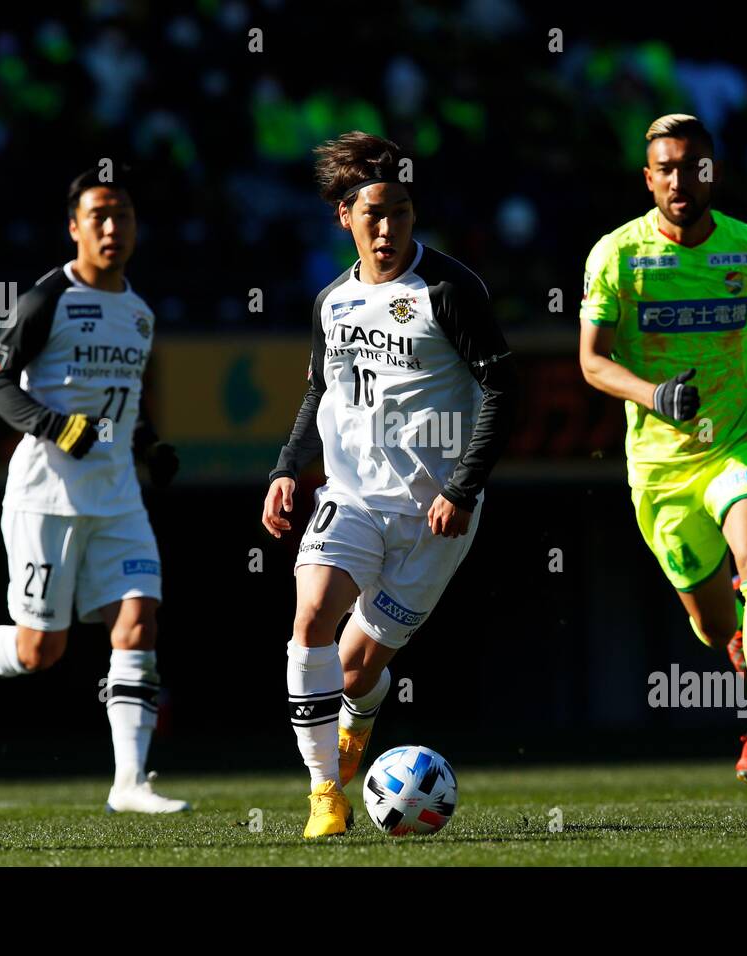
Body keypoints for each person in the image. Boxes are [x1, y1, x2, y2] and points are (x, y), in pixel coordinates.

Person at [0, 166, 187, 812]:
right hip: (46, 496)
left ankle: (130, 782)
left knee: (138, 621)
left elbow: (123, 400)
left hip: (118, 498)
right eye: (99, 216)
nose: (112, 227)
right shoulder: (45, 300)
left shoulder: (139, 313)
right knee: (39, 651)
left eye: (122, 215)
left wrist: (148, 446)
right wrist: (54, 426)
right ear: (74, 228)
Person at [262, 131, 517, 836]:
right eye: (374, 213)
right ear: (344, 215)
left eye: (400, 212)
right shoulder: (332, 301)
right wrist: (286, 469)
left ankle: (362, 713)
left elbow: (503, 390)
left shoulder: (450, 290)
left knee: (354, 671)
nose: (387, 228)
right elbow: (318, 392)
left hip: (433, 513)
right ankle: (324, 795)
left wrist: (461, 488)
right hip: (350, 497)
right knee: (312, 617)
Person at [578, 114, 747, 788]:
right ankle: (734, 634)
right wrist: (654, 395)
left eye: (692, 167)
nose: (680, 181)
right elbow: (592, 361)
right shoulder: (617, 256)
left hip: (740, 439)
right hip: (661, 468)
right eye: (667, 169)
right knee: (710, 626)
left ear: (713, 173)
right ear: (648, 179)